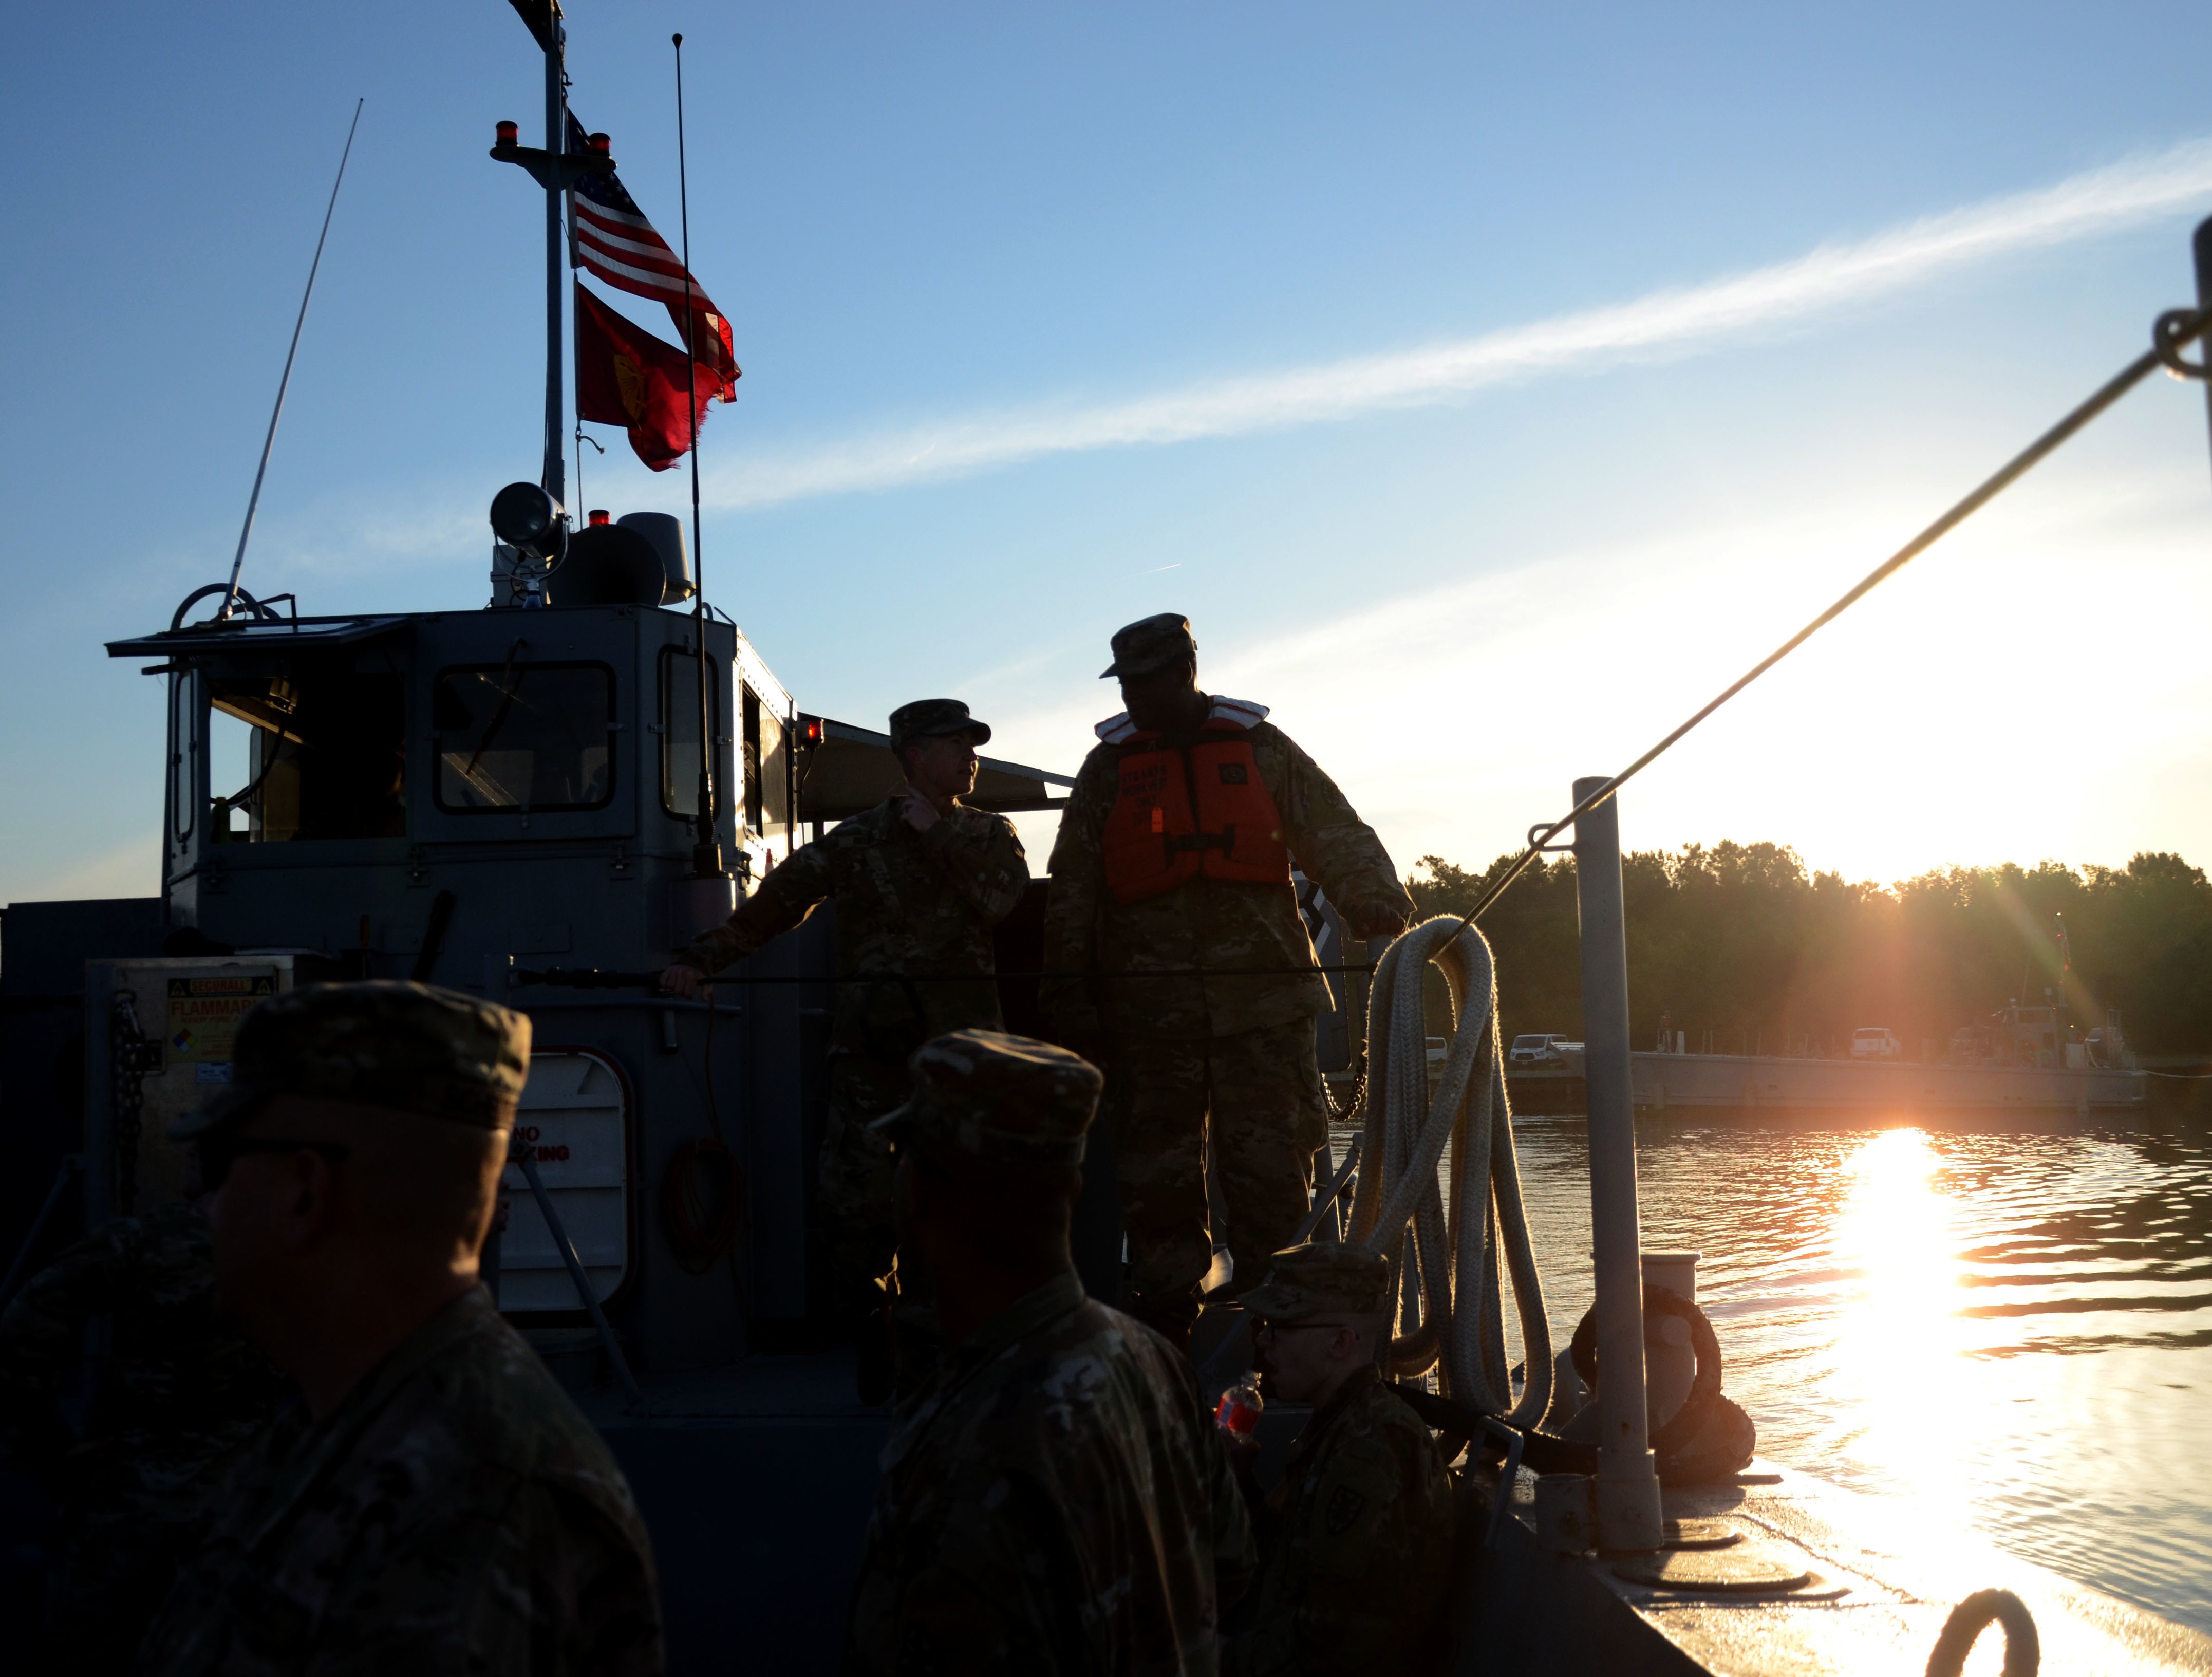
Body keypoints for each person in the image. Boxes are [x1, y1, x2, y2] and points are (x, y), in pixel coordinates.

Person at [136, 981, 664, 1676]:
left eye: (217, 1166)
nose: (205, 1205)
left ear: (304, 1192)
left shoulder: (472, 1506)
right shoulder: (344, 1422)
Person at [1043, 615, 1415, 1348]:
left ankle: (1275, 1304)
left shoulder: (1259, 749)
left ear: (1184, 671)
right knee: (1158, 1171)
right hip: (1147, 1014)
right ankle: (1166, 1308)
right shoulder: (1109, 770)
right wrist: (1070, 999)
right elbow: (1073, 890)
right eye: (1127, 685)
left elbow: (1333, 830)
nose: (1137, 697)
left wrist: (1374, 899)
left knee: (1272, 1163)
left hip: (1265, 1003)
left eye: (1148, 681)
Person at [843, 1030, 1257, 1675]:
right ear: (1067, 1191)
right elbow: (1230, 1570)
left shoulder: (975, 1446)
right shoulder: (1153, 1362)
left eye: (903, 1155)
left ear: (929, 1190)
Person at [660, 698, 1028, 1385]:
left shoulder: (988, 834)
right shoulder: (856, 841)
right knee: (852, 1208)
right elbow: (774, 906)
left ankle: (942, 1346)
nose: (971, 756)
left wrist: (940, 836)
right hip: (871, 1057)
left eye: (972, 745)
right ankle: (875, 1331)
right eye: (957, 745)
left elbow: (1002, 904)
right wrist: (700, 959)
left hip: (962, 1060)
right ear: (915, 756)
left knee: (957, 1203)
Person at [0, 1201, 287, 1675]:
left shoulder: (149, 1239)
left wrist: (47, 1452)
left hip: (135, 1497)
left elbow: (24, 1326)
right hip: (250, 1503)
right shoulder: (316, 1246)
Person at [1220, 1242, 1454, 1677]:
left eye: (1280, 1327)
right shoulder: (1341, 1427)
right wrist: (1243, 1484)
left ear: (1340, 1342)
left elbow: (1331, 1649)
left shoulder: (1371, 1449)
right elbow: (1295, 1563)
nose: (1263, 1341)